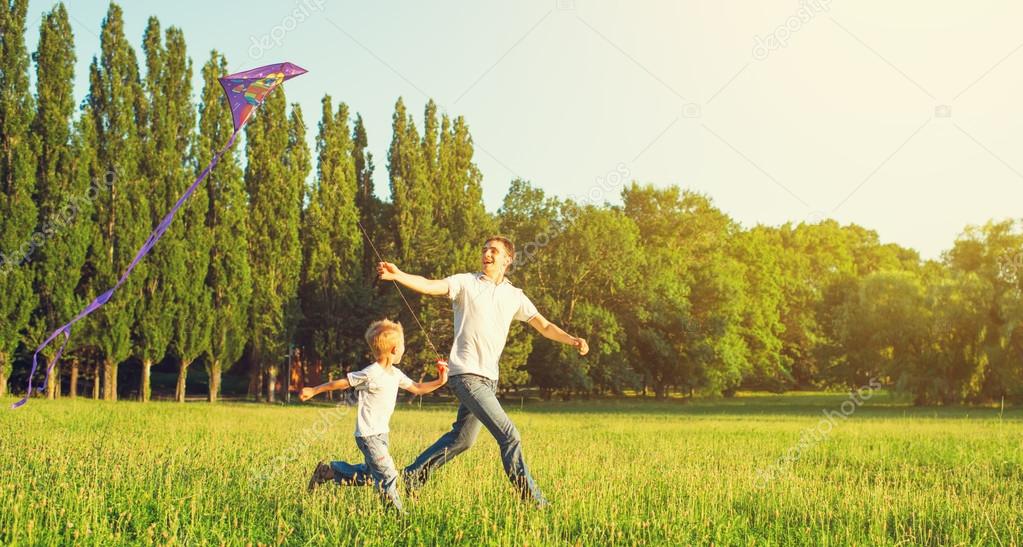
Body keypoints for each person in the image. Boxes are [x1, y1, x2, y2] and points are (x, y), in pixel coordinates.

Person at [377, 236, 589, 506]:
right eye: (485, 249)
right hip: (465, 375)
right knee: (510, 435)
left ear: (507, 260)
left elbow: (544, 325)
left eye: (494, 251)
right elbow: (431, 286)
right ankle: (534, 500)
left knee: (462, 439)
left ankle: (411, 475)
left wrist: (572, 340)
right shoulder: (466, 283)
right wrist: (400, 275)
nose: (487, 253)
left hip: (489, 380)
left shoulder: (515, 296)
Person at [301, 319, 448, 512]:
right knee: (388, 474)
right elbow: (343, 383)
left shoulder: (395, 373)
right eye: (403, 345)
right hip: (368, 435)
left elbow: (418, 388)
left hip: (381, 434)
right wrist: (313, 390)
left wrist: (440, 380)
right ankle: (397, 516)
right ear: (395, 349)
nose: (404, 349)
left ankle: (327, 473)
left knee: (371, 476)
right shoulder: (371, 373)